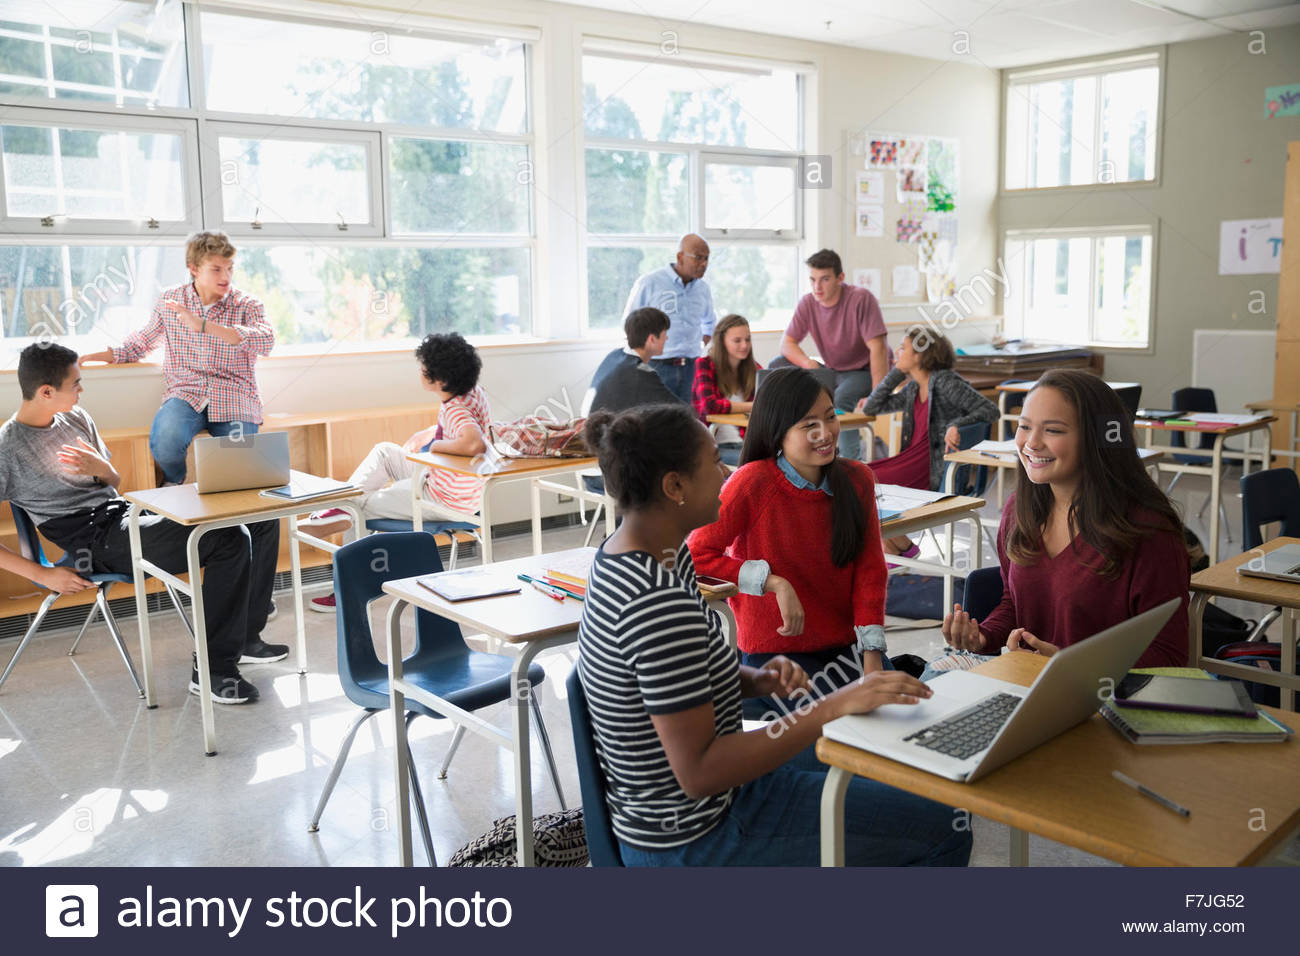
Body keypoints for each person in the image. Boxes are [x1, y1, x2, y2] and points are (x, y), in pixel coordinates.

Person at [578, 401, 971, 867]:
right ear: (674, 486)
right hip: (700, 835)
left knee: (889, 767)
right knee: (946, 826)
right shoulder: (655, 602)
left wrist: (753, 678)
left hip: (704, 805)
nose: (726, 473)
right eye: (712, 463)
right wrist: (836, 703)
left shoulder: (643, 552)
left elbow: (666, 682)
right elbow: (701, 772)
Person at [0, 344, 283, 703]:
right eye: (76, 383)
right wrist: (41, 574)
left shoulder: (76, 418)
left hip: (123, 513)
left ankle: (244, 639)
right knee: (227, 538)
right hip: (94, 542)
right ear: (46, 392)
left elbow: (114, 484)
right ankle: (213, 671)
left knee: (259, 520)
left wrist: (102, 471)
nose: (81, 390)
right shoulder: (8, 448)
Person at [932, 369, 1190, 678]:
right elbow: (1014, 603)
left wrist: (1073, 664)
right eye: (1024, 426)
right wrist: (983, 636)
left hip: (1102, 703)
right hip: (1030, 684)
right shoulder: (1019, 510)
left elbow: (1170, 657)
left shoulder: (1148, 531)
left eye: (1053, 430)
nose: (1031, 442)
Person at [688, 368, 890, 725]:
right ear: (778, 432)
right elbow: (695, 555)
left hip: (845, 651)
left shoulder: (857, 480)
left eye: (830, 417)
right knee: (830, 739)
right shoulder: (752, 482)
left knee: (893, 719)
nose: (825, 434)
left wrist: (872, 656)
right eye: (808, 425)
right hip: (775, 660)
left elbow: (870, 571)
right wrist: (772, 581)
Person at [302, 333, 489, 612]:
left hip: (439, 498)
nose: (420, 370)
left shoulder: (455, 409)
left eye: (424, 367)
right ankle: (341, 509)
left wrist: (435, 445)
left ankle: (347, 594)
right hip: (457, 490)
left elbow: (474, 442)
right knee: (385, 452)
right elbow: (466, 424)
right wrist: (431, 432)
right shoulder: (473, 393)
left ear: (440, 379)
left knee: (357, 506)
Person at [79, 231, 274, 486]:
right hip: (186, 393)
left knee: (237, 464)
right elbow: (143, 341)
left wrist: (203, 325)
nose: (225, 277)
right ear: (194, 268)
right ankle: (174, 483)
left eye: (229, 268)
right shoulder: (171, 301)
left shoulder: (247, 305)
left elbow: (266, 341)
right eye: (216, 269)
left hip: (235, 395)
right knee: (165, 438)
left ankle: (228, 514)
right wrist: (103, 355)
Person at [860, 326, 998, 556]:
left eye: (904, 348)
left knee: (858, 483)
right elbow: (873, 407)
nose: (898, 352)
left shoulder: (945, 382)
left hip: (929, 470)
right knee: (853, 480)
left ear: (921, 355)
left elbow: (990, 410)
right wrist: (897, 372)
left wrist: (958, 425)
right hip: (910, 461)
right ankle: (900, 548)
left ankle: (899, 549)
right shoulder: (913, 387)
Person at [777, 249, 890, 462]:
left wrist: (878, 393)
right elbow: (787, 344)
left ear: (841, 278)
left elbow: (879, 348)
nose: (817, 287)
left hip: (862, 370)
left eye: (825, 279)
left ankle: (849, 463)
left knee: (840, 400)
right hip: (832, 370)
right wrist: (808, 363)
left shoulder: (861, 299)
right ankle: (791, 454)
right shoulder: (808, 303)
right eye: (812, 280)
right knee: (778, 366)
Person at [621, 234, 717, 403]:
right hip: (657, 366)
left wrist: (702, 350)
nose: (704, 264)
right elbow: (630, 324)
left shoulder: (703, 289)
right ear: (680, 257)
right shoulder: (650, 283)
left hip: (691, 368)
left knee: (688, 421)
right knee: (656, 420)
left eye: (707, 259)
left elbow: (709, 324)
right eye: (698, 258)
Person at [583, 307, 683, 416]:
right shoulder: (640, 372)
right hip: (604, 430)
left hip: (591, 424)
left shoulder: (614, 355)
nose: (667, 338)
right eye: (664, 334)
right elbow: (679, 409)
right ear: (652, 339)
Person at [691, 313, 761, 467]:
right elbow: (710, 406)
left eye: (747, 339)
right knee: (757, 465)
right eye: (737, 340)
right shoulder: (704, 365)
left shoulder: (754, 369)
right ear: (722, 341)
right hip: (716, 447)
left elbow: (768, 400)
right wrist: (751, 406)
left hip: (746, 443)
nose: (744, 345)